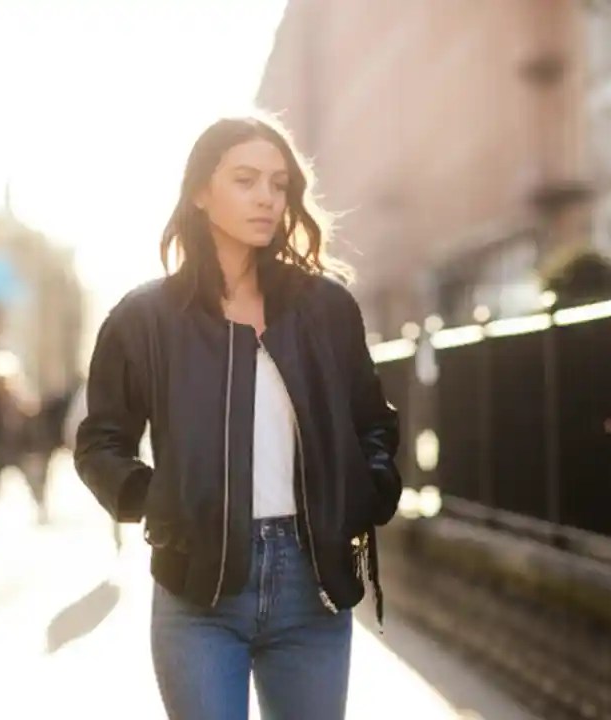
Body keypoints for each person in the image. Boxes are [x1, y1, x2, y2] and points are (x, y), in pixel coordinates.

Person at [74, 115, 402, 719]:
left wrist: (371, 490)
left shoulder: (325, 309)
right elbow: (101, 441)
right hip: (198, 591)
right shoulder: (148, 317)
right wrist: (156, 500)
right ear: (201, 192)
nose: (266, 198)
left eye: (279, 185)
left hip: (314, 588)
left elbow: (372, 422)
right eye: (245, 180)